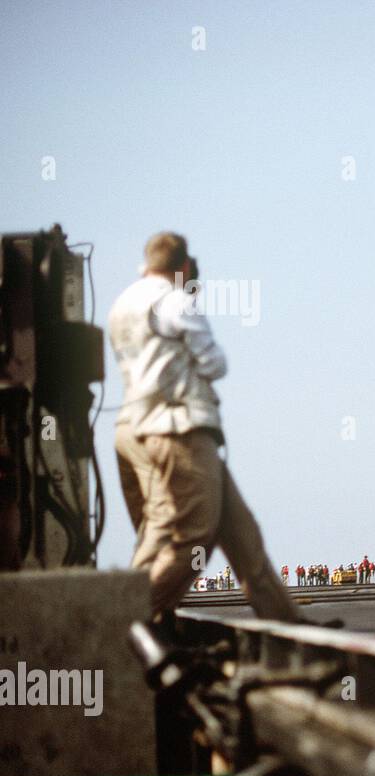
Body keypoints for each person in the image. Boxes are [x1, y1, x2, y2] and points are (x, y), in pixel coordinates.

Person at [109, 232, 305, 624]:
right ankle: (121, 620)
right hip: (180, 428)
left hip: (138, 423)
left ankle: (285, 619)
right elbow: (215, 364)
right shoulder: (175, 300)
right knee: (194, 532)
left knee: (240, 530)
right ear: (183, 267)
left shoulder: (124, 303)